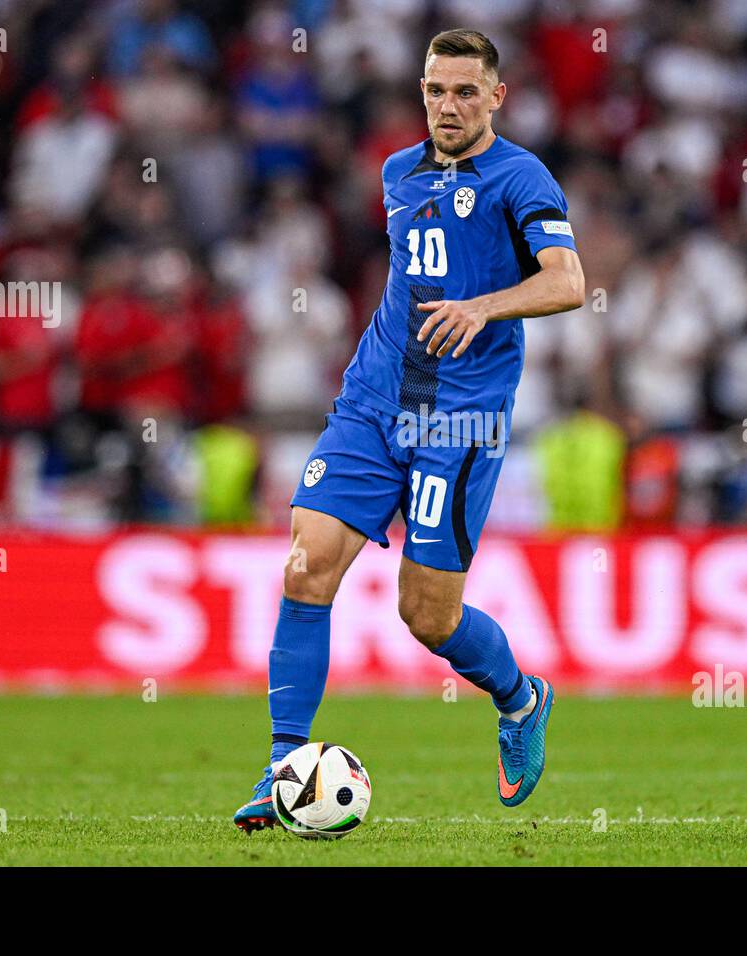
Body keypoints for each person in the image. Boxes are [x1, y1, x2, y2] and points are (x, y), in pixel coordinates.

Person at [235, 29, 585, 830]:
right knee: (303, 565)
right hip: (373, 403)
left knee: (427, 615)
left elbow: (568, 281)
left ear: (496, 97)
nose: (448, 106)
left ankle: (521, 697)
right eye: (435, 91)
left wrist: (484, 306)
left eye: (465, 92)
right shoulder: (398, 173)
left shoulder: (520, 176)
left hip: (460, 421)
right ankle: (284, 763)